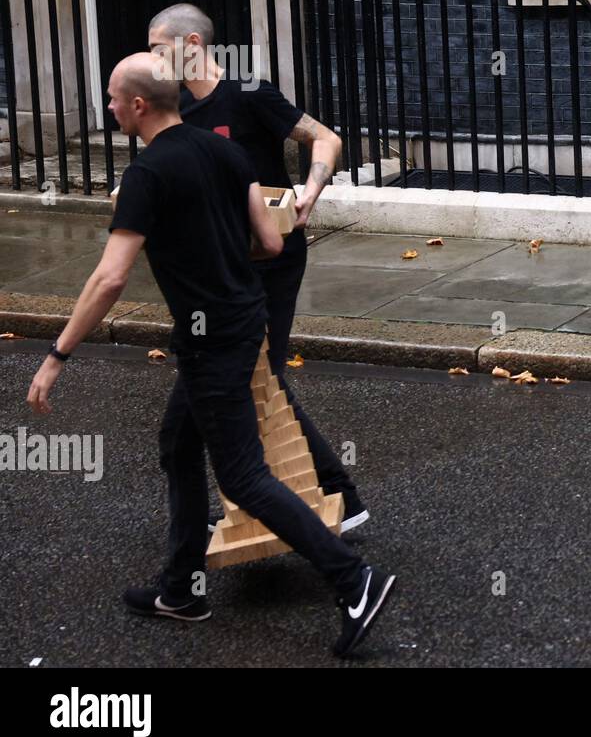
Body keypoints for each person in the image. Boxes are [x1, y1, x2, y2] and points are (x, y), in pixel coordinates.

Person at [26, 54, 395, 658]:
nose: (111, 108)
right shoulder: (227, 153)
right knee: (177, 444)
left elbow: (110, 280)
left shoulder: (147, 175)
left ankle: (353, 580)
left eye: (115, 99)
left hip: (210, 344)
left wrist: (58, 353)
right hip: (246, 321)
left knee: (245, 478)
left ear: (139, 106)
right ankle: (181, 588)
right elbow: (272, 242)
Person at [145, 3, 368, 533]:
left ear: (193, 46)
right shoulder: (176, 112)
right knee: (253, 373)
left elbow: (325, 138)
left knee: (255, 371)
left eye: (159, 49)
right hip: (224, 265)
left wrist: (311, 191)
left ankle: (333, 496)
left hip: (276, 258)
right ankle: (331, 496)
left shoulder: (248, 93)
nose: (154, 61)